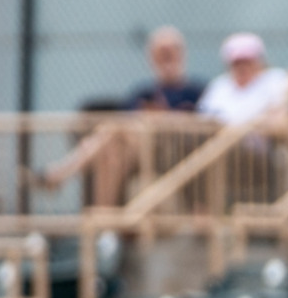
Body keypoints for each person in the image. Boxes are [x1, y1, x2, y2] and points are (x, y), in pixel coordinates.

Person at [37, 27, 206, 205]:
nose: (166, 58)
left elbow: (206, 125)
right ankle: (106, 225)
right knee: (110, 153)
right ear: (152, 57)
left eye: (170, 52)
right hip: (135, 153)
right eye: (160, 53)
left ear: (181, 54)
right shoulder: (143, 92)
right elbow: (126, 120)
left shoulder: (195, 92)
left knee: (112, 132)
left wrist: (166, 119)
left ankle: (60, 173)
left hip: (173, 153)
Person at [197, 32, 288, 127]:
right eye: (237, 63)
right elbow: (204, 116)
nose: (242, 67)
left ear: (259, 61)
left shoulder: (274, 79)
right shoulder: (220, 85)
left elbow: (280, 120)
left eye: (247, 62)